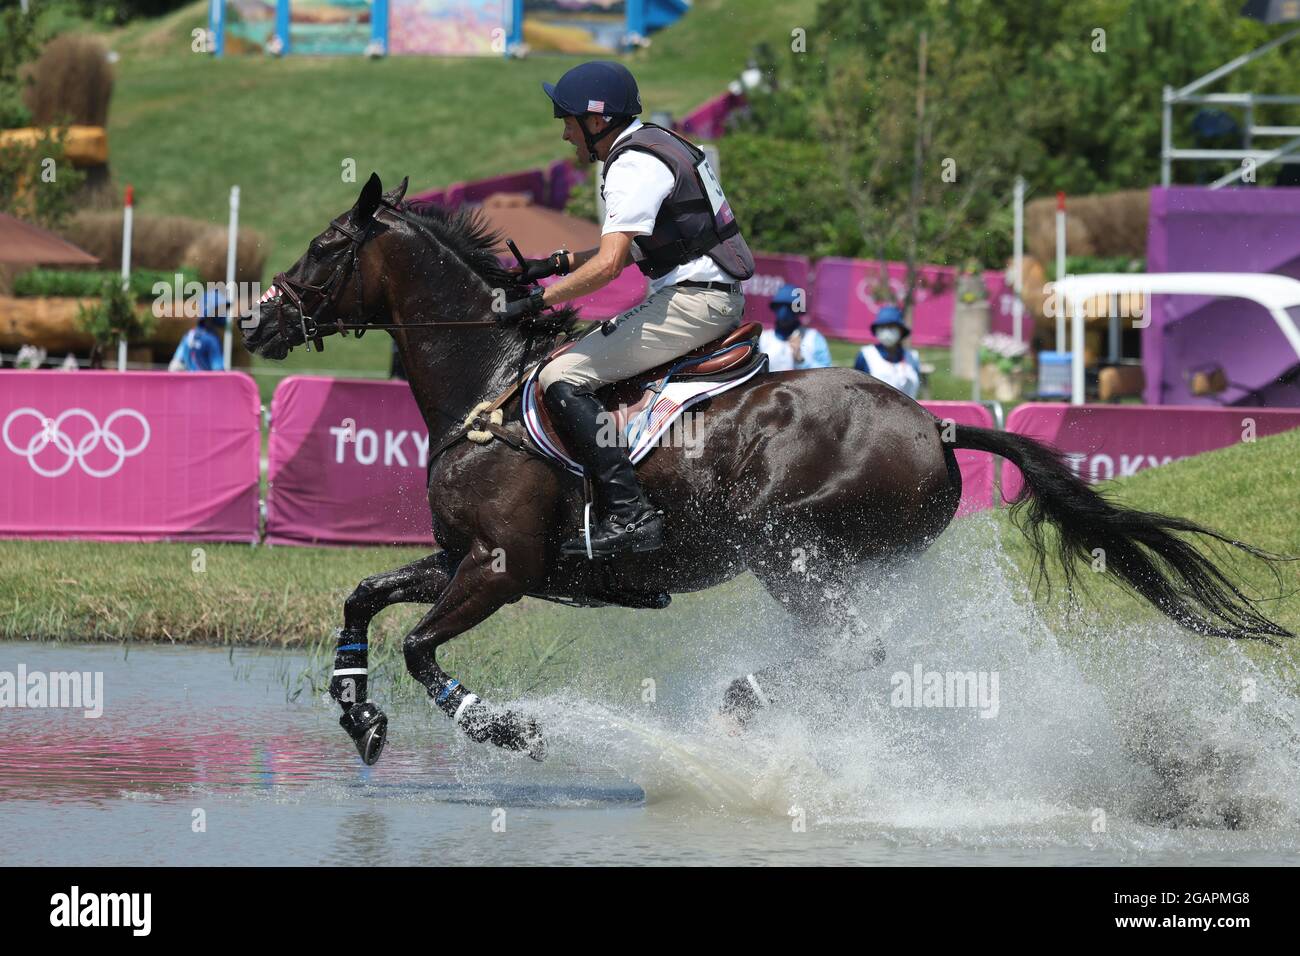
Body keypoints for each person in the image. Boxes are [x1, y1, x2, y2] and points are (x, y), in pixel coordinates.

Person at [502, 60, 755, 559]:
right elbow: (651, 245)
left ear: (597, 121)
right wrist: (554, 264)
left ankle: (629, 513)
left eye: (567, 120)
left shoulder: (633, 165)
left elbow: (612, 264)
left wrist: (538, 301)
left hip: (694, 302)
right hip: (702, 292)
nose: (565, 135)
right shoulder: (658, 143)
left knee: (561, 376)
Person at [758, 283, 830, 372]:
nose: (784, 312)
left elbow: (827, 374)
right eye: (780, 307)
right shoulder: (763, 339)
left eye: (789, 307)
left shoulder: (813, 338)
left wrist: (800, 359)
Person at [854, 304, 921, 398]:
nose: (886, 332)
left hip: (910, 411)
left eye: (891, 327)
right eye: (882, 327)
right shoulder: (866, 355)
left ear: (900, 330)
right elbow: (856, 389)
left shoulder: (913, 357)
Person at [169, 289, 226, 372]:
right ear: (209, 311)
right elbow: (219, 372)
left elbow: (175, 367)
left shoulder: (189, 335)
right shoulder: (211, 340)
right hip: (207, 384)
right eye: (220, 310)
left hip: (188, 384)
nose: (223, 314)